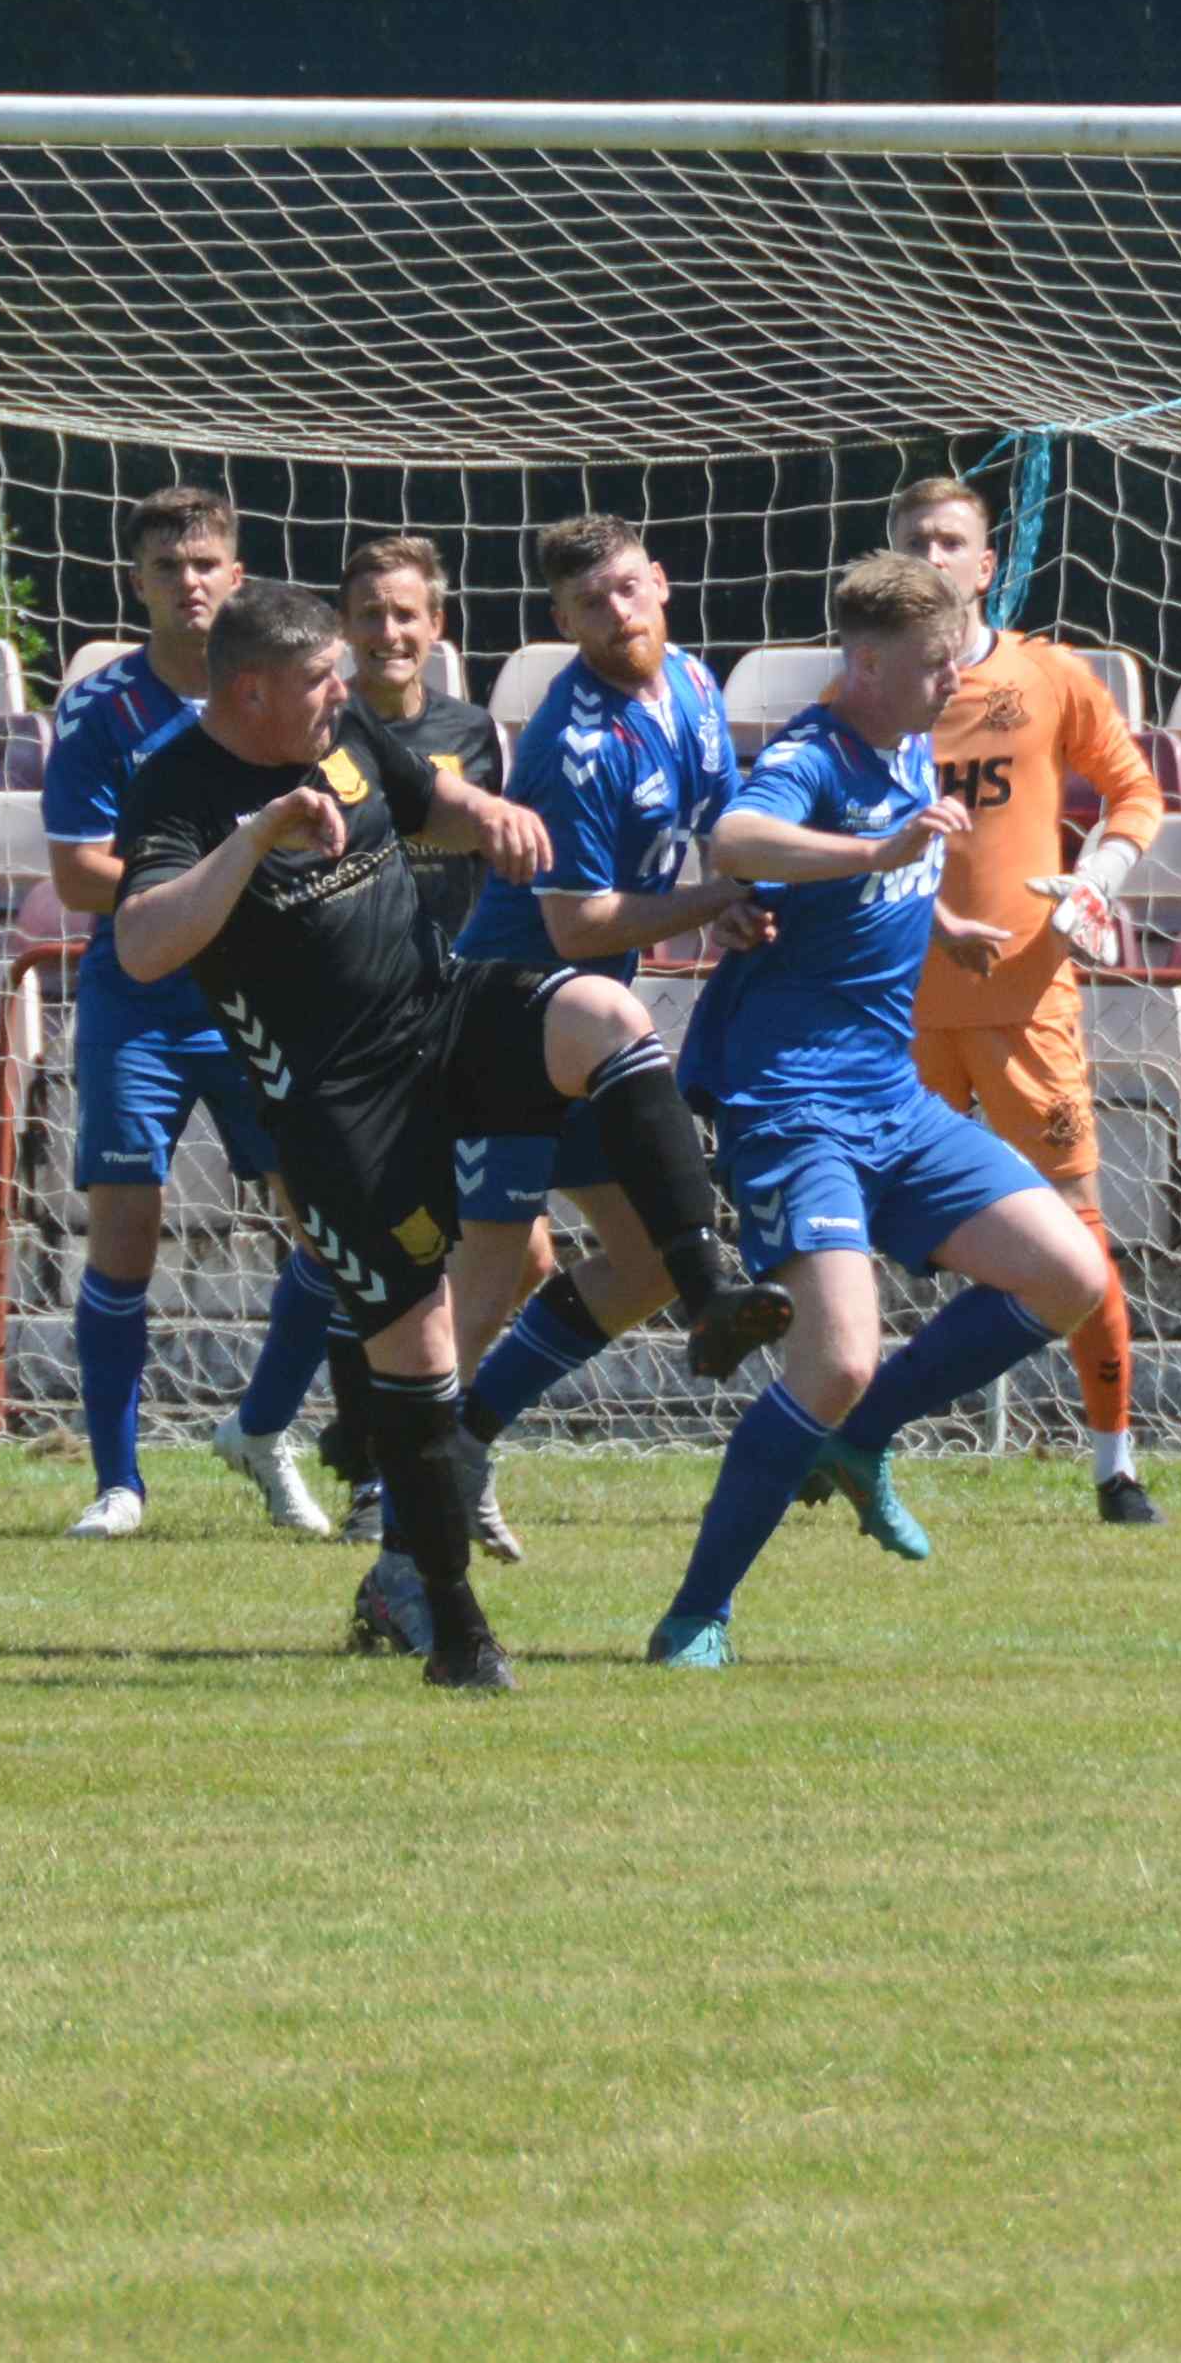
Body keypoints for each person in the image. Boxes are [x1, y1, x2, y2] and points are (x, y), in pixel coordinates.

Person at [111, 581, 794, 1692]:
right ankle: (451, 1624)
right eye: (318, 677)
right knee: (419, 1353)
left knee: (607, 1016)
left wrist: (483, 815)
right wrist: (258, 835)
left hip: (438, 1013)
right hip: (337, 1108)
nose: (345, 689)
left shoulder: (338, 729)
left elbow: (418, 794)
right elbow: (144, 944)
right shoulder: (177, 788)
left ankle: (706, 1288)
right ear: (249, 691)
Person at [649, 554, 1116, 1667]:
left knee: (1070, 1273)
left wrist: (939, 922)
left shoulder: (908, 736)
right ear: (862, 663)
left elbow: (885, 877)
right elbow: (737, 842)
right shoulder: (813, 757)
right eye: (930, 662)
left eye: (956, 654)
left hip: (887, 1099)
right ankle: (695, 1613)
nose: (953, 678)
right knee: (835, 1357)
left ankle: (860, 1440)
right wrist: (871, 852)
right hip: (793, 1105)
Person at [416, 515, 767, 1580]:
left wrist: (743, 889)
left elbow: (718, 824)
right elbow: (574, 927)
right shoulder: (575, 742)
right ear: (560, 621)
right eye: (590, 604)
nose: (619, 616)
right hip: (505, 1015)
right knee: (485, 1274)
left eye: (627, 590)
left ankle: (461, 1440)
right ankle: (403, 1479)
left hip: (585, 1035)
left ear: (658, 582)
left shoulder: (697, 687)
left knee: (646, 1266)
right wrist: (709, 899)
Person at [40, 484, 333, 1542]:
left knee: (328, 1227)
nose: (188, 581)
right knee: (124, 1227)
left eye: (205, 562)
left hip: (260, 999)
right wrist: (226, 873)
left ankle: (260, 1427)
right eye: (166, 567)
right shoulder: (99, 706)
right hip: (143, 1003)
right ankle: (118, 1480)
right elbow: (77, 875)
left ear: (237, 575)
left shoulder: (278, 696)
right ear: (136, 584)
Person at [884, 474, 1172, 1523]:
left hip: (1023, 1005)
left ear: (984, 563)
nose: (933, 554)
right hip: (892, 1009)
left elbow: (1135, 789)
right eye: (915, 538)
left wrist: (1101, 877)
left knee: (1078, 1232)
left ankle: (1112, 1464)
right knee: (839, 1231)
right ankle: (830, 1428)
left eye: (950, 539)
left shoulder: (1045, 675)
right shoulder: (863, 694)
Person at [292, 533, 546, 1556]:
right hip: (356, 1021)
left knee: (515, 1251)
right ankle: (382, 1474)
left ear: (435, 626)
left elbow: (499, 842)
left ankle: (448, 1449)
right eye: (369, 615)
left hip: (458, 1013)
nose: (389, 631)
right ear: (343, 630)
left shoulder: (475, 729)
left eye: (407, 614)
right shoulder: (320, 731)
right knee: (381, 1256)